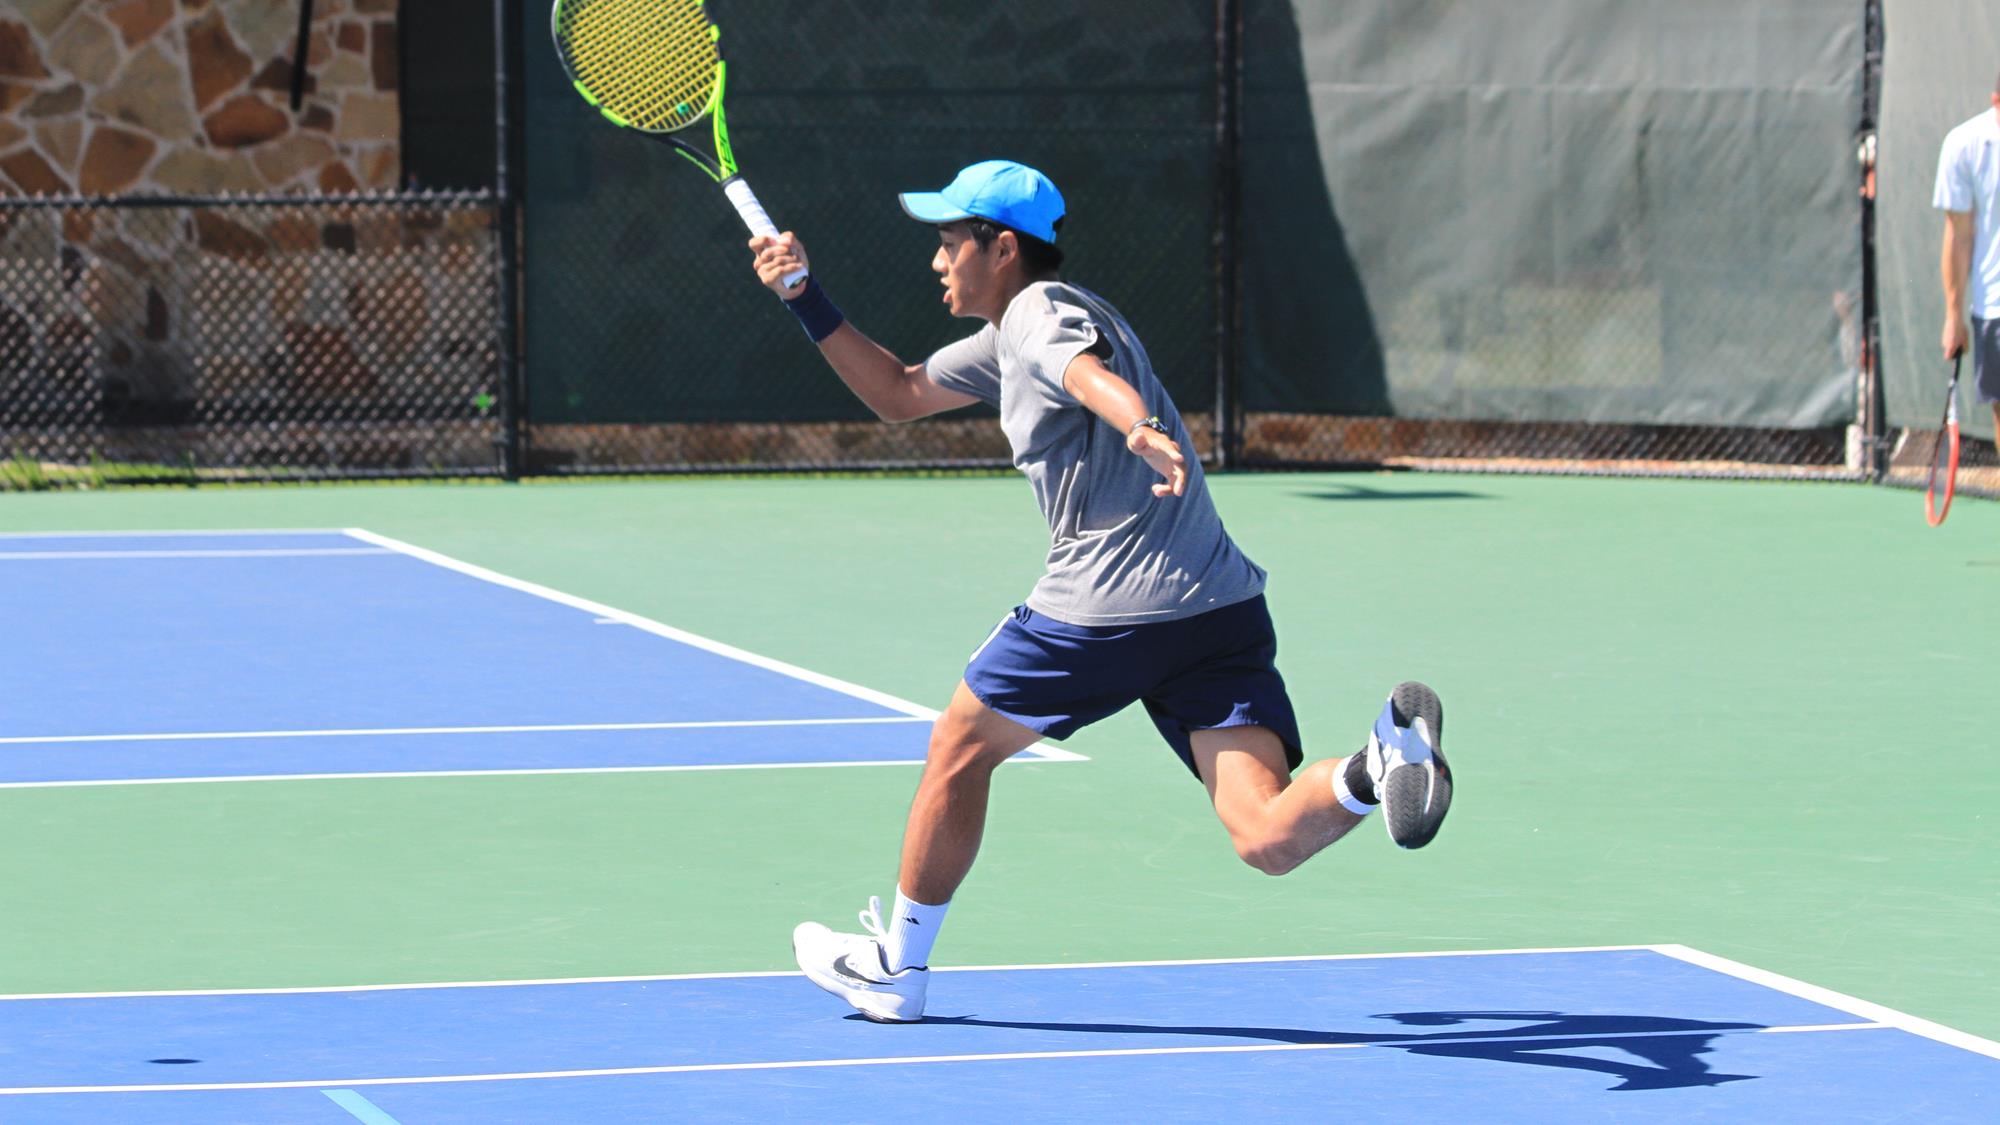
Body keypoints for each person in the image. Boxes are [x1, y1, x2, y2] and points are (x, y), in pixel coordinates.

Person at [748, 160, 1453, 1023]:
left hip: (1109, 604)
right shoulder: (1009, 334)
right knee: (1264, 835)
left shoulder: (1043, 311)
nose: (937, 260)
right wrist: (803, 296)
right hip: (1218, 608)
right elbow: (897, 392)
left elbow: (1081, 372)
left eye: (949, 241)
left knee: (958, 748)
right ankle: (1379, 764)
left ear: (1001, 248)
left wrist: (1139, 425)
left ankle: (899, 967)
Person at [1936, 71, 2000, 440]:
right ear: (1996, 101)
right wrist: (1953, 316)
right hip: (1993, 306)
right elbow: (1958, 235)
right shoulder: (1964, 144)